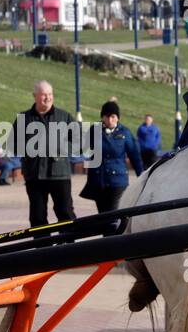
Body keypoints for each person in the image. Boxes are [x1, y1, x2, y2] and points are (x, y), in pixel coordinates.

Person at [13, 80, 78, 226]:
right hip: (34, 175)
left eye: (50, 94)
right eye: (43, 95)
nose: (48, 98)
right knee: (37, 216)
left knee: (65, 212)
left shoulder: (64, 117)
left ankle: (69, 245)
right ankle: (43, 247)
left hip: (59, 174)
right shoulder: (24, 118)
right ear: (35, 96)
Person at [82, 100, 143, 213]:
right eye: (106, 116)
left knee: (113, 214)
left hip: (118, 181)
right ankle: (107, 231)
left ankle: (114, 230)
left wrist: (142, 176)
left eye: (113, 116)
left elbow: (135, 155)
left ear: (117, 117)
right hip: (99, 181)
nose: (110, 120)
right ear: (102, 117)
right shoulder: (94, 130)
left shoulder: (125, 133)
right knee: (103, 215)